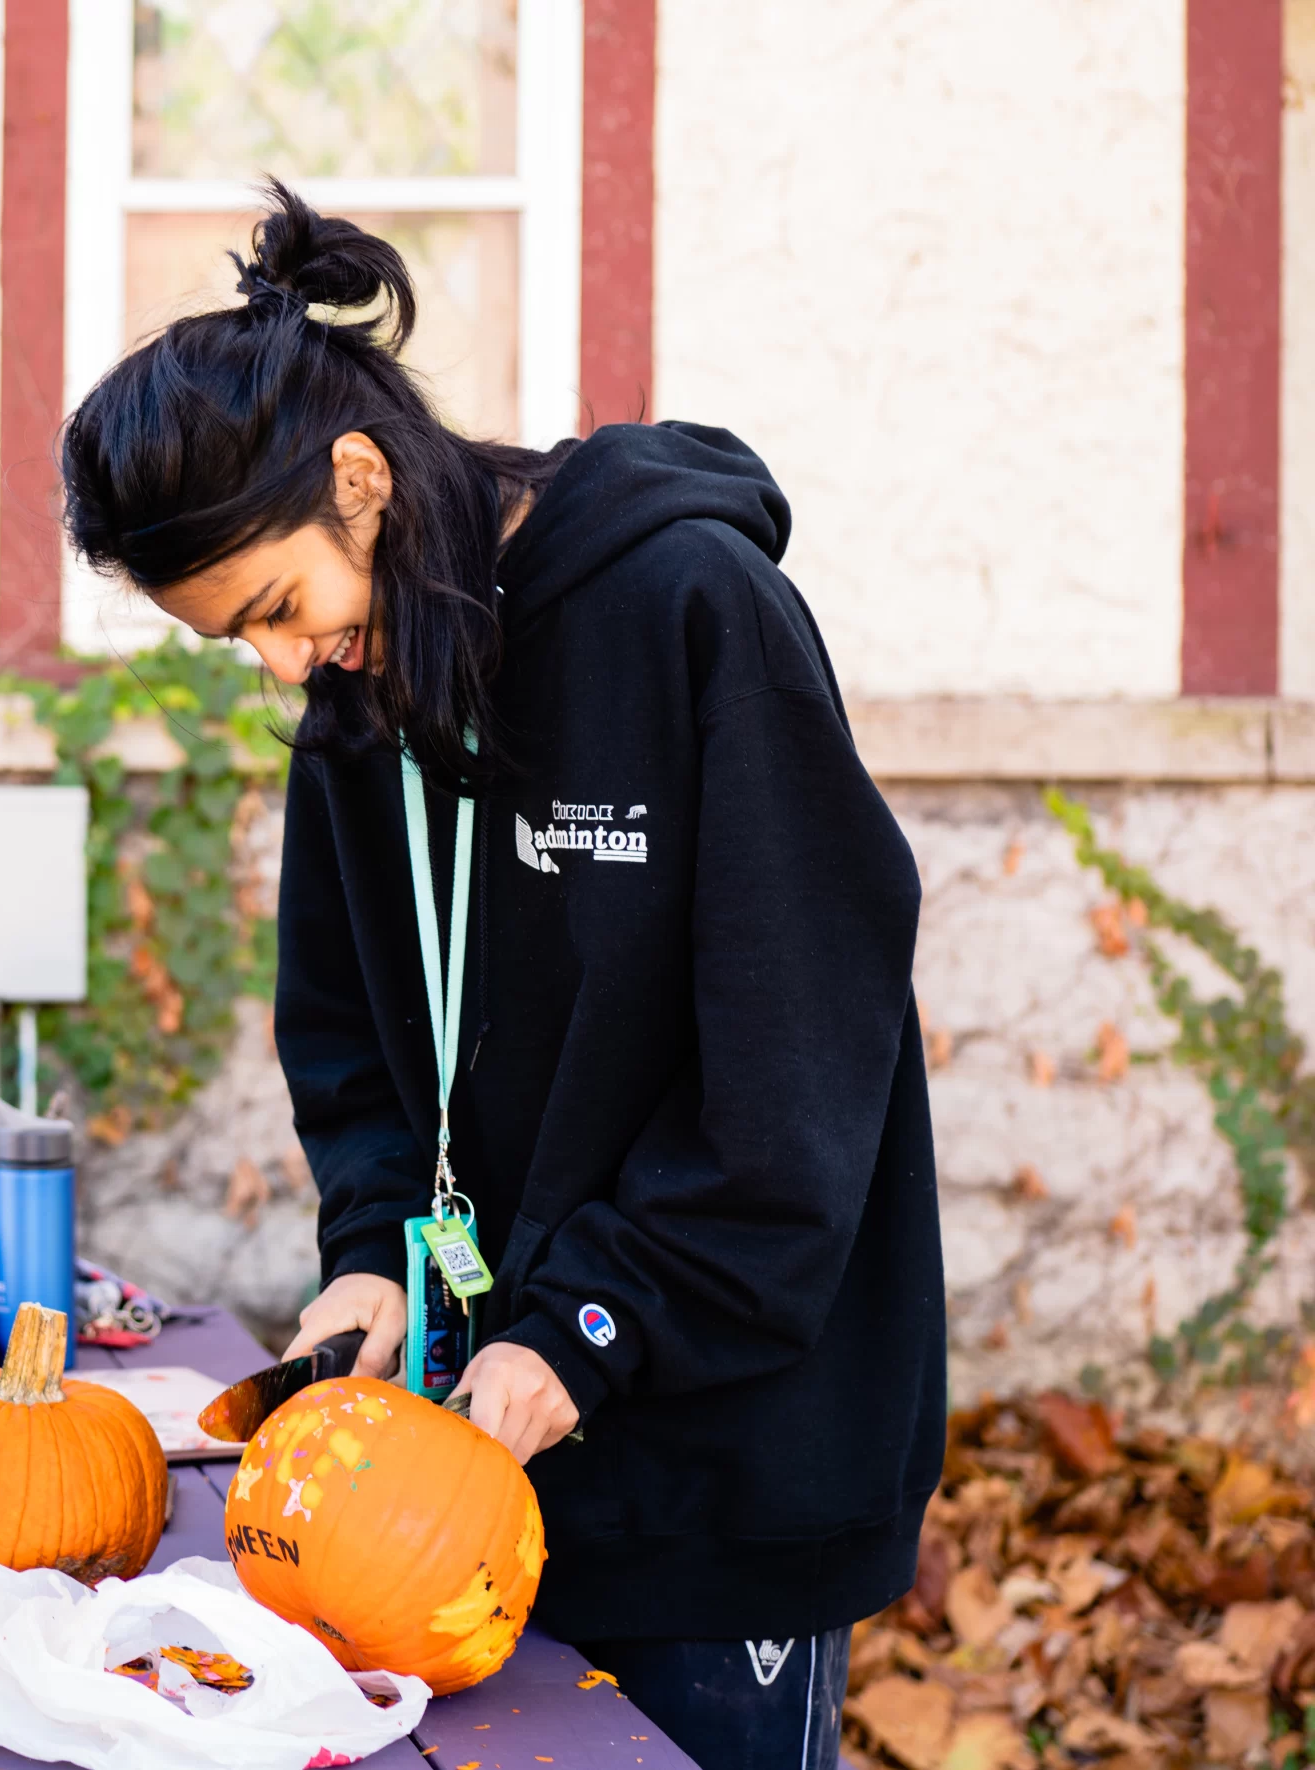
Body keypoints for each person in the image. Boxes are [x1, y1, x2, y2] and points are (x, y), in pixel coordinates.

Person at [56, 185, 943, 1770]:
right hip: (474, 1466)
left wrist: (593, 1325)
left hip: (722, 1468)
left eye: (277, 606)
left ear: (362, 479)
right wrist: (371, 1256)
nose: (282, 665)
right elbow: (347, 1047)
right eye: (234, 641)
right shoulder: (358, 700)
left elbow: (799, 1076)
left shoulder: (692, 607)